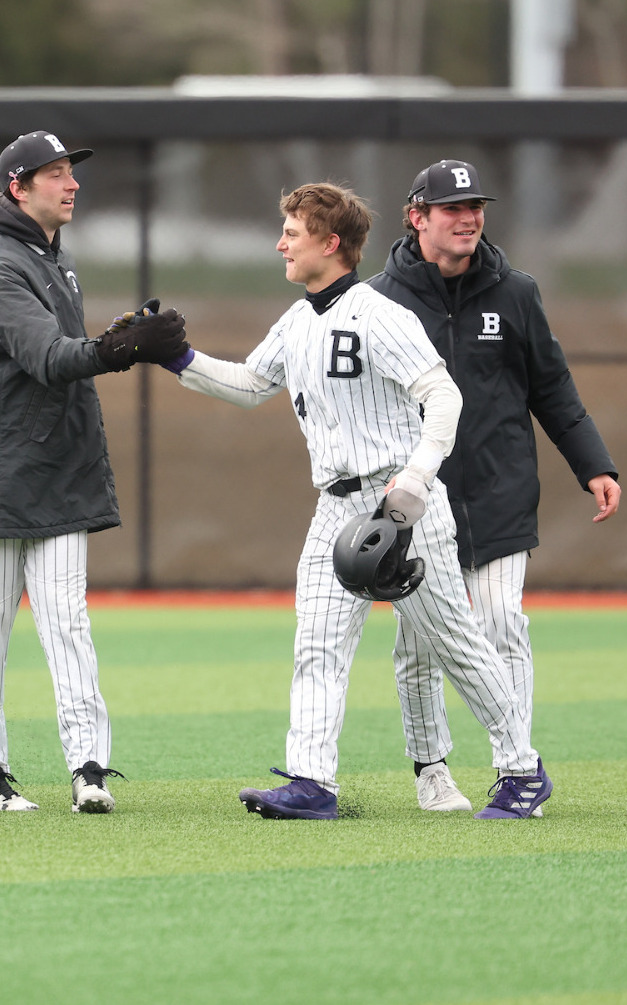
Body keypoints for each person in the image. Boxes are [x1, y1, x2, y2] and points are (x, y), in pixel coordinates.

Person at [154, 181, 551, 820]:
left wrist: (415, 483)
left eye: (293, 231)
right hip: (334, 508)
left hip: (399, 504)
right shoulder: (298, 318)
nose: (281, 242)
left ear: (331, 243)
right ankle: (312, 783)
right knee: (317, 643)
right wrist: (177, 356)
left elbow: (443, 397)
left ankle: (522, 770)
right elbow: (254, 384)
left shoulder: (381, 315)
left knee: (456, 645)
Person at [0, 131, 184, 813]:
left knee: (67, 621)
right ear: (17, 185)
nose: (70, 184)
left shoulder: (50, 259)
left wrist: (113, 341)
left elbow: (62, 357)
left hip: (51, 470)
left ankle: (88, 766)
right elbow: (47, 356)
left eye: (71, 172)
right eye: (55, 174)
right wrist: (121, 347)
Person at [365, 159, 619, 812]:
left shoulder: (515, 292)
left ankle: (516, 773)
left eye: (474, 205)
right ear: (416, 217)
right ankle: (430, 767)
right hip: (417, 501)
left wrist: (593, 463)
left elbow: (551, 386)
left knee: (503, 621)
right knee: (419, 645)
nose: (468, 217)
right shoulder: (377, 301)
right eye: (451, 207)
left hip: (500, 487)